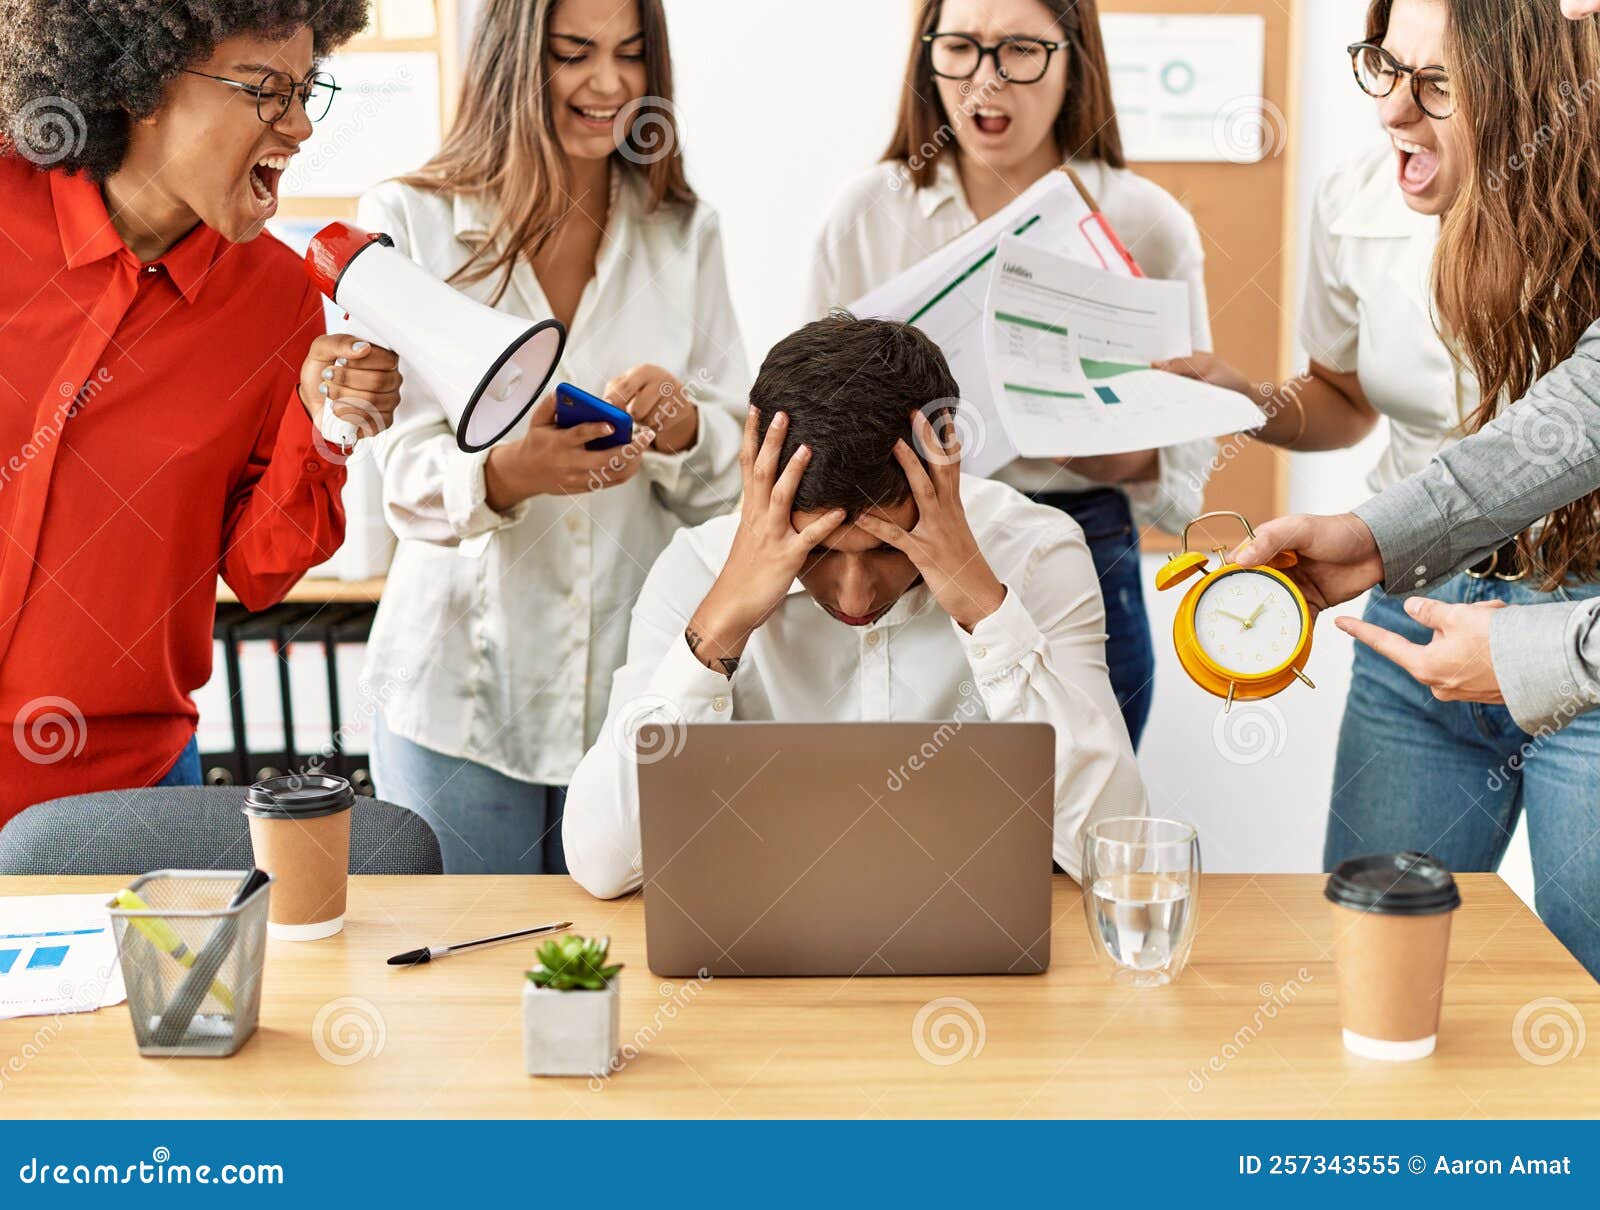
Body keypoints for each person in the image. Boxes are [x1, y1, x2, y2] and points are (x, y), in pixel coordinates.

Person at [1203, 0, 1600, 978]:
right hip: (1420, 617)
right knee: (1375, 961)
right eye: (1383, 65)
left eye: (1437, 85)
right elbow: (1350, 398)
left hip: (1581, 629)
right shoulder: (1361, 201)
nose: (1390, 109)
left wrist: (1378, 539)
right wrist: (1366, 531)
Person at [562, 315, 1147, 899]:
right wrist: (717, 631)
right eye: (815, 552)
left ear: (946, 474)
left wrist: (985, 610)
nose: (854, 596)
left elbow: (1120, 856)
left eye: (889, 548)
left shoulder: (1038, 553)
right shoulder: (696, 568)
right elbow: (603, 863)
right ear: (759, 483)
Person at [358, 0, 747, 874]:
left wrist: (683, 426)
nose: (608, 85)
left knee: (615, 976)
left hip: (634, 689)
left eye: (631, 55)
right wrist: (503, 473)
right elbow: (398, 468)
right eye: (574, 54)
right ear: (513, 65)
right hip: (456, 697)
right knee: (466, 992)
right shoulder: (411, 220)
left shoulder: (685, 232)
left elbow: (739, 465)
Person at [0, 0, 401, 825]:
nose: (298, 126)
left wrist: (324, 431)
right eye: (263, 91)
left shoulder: (281, 305)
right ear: (142, 87)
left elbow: (259, 571)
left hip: (124, 790)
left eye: (305, 90)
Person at [805, 0, 1217, 750]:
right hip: (906, 545)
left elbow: (1192, 451)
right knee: (923, 825)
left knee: (1078, 819)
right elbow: (807, 425)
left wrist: (1132, 453)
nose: (986, 81)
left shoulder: (1145, 219)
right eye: (961, 47)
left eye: (1022, 50)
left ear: (1074, 56)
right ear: (927, 55)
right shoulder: (864, 214)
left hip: (1085, 535)